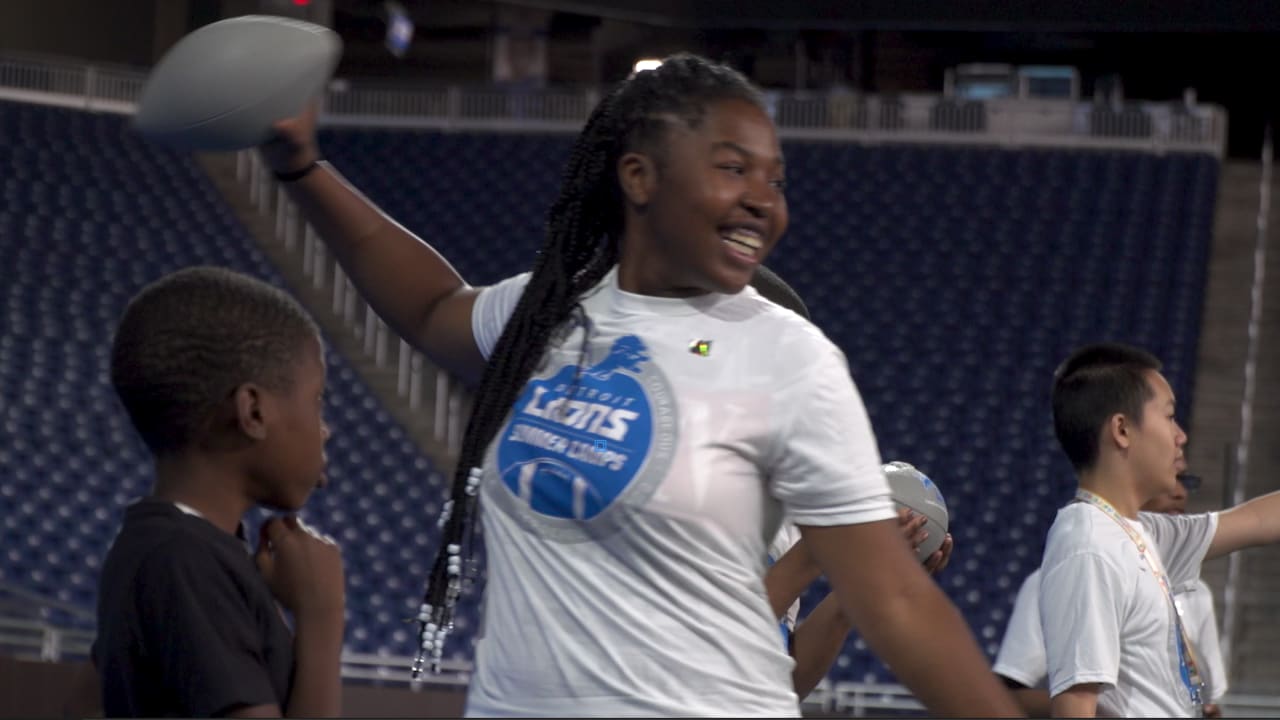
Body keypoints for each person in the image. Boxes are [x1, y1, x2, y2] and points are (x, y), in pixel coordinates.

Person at [260, 53, 1020, 717]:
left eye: (775, 180)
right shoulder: (552, 312)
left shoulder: (790, 356)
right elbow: (429, 306)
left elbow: (897, 601)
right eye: (733, 168)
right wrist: (300, 166)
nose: (764, 197)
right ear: (639, 176)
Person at [93, 267, 345, 718]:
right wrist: (322, 619)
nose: (325, 429)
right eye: (317, 400)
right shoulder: (184, 562)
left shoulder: (175, 550)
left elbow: (82, 705)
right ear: (253, 412)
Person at [1040, 342, 1280, 718]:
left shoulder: (1140, 532)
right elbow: (1075, 706)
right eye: (1169, 417)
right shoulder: (1088, 543)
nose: (1181, 435)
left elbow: (1258, 521)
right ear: (1121, 429)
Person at [750, 266, 954, 698]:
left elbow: (787, 682)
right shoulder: (688, 487)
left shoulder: (785, 508)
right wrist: (835, 542)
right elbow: (708, 636)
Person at [993, 474, 1228, 718]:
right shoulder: (1061, 573)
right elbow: (1009, 694)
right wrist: (1102, 710)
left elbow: (1209, 703)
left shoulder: (1198, 593)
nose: (1179, 492)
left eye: (1184, 481)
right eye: (1169, 477)